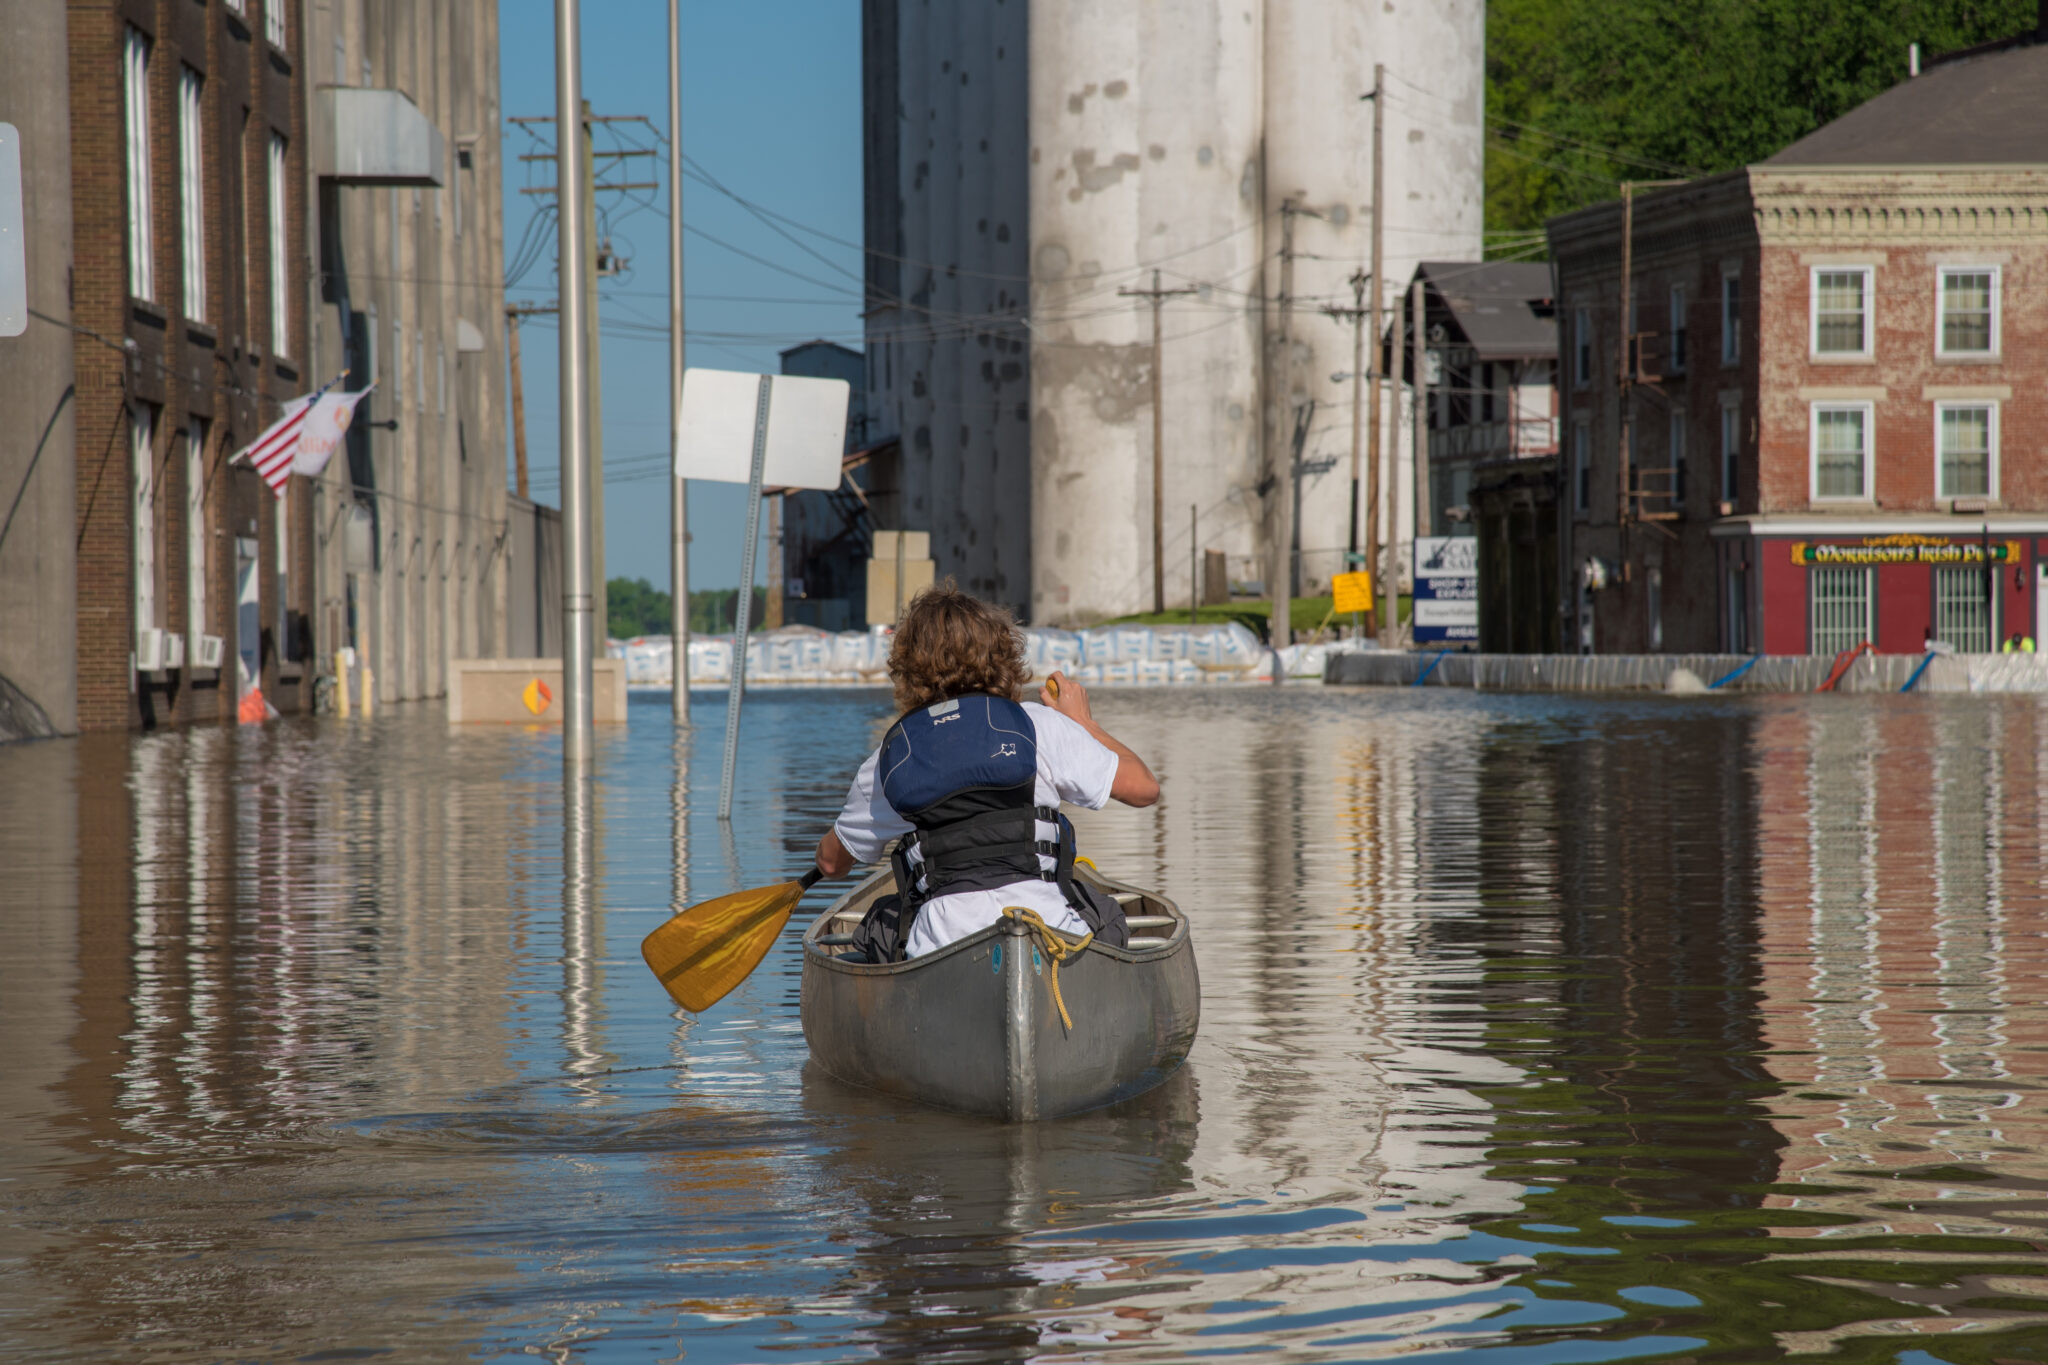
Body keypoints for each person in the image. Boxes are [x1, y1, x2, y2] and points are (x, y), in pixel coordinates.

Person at [812, 584, 1160, 961]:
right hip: (1050, 928)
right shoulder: (1038, 725)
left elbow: (831, 863)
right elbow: (1144, 789)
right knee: (1108, 914)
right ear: (1002, 656)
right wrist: (1083, 723)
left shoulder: (889, 757)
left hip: (938, 946)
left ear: (907, 672)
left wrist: (833, 848)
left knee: (878, 922)